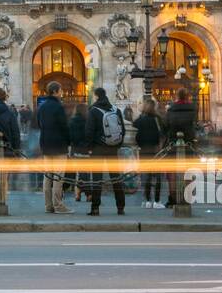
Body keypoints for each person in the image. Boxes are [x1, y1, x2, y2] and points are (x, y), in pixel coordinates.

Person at [85, 87, 127, 215]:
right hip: (112, 148)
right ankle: (120, 207)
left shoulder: (93, 111)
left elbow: (89, 132)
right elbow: (123, 130)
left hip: (98, 149)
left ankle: (95, 208)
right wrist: (117, 145)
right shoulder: (116, 110)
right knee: (116, 178)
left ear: (96, 96)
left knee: (97, 179)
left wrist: (89, 148)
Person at [37, 82, 72, 214]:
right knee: (58, 176)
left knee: (47, 177)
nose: (62, 92)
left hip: (46, 144)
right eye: (61, 90)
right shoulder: (58, 107)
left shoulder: (42, 107)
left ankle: (48, 205)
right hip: (59, 145)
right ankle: (58, 205)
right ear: (56, 91)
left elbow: (40, 125)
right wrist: (68, 143)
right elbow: (64, 127)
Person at [164, 89, 198, 206]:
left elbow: (166, 126)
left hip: (173, 143)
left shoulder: (171, 110)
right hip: (188, 143)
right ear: (187, 96)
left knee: (172, 173)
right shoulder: (193, 109)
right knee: (188, 172)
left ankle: (172, 198)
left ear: (176, 96)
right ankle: (187, 197)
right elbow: (194, 124)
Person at [133, 97, 164, 209]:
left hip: (143, 151)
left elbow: (134, 133)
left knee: (146, 177)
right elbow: (163, 134)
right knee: (157, 177)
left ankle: (147, 200)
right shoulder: (158, 119)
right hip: (155, 150)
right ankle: (156, 201)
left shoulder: (140, 120)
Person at [68, 102, 89, 201]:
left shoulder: (72, 121)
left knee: (78, 172)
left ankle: (77, 193)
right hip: (86, 149)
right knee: (86, 172)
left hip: (75, 149)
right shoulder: (88, 121)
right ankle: (88, 194)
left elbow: (70, 137)